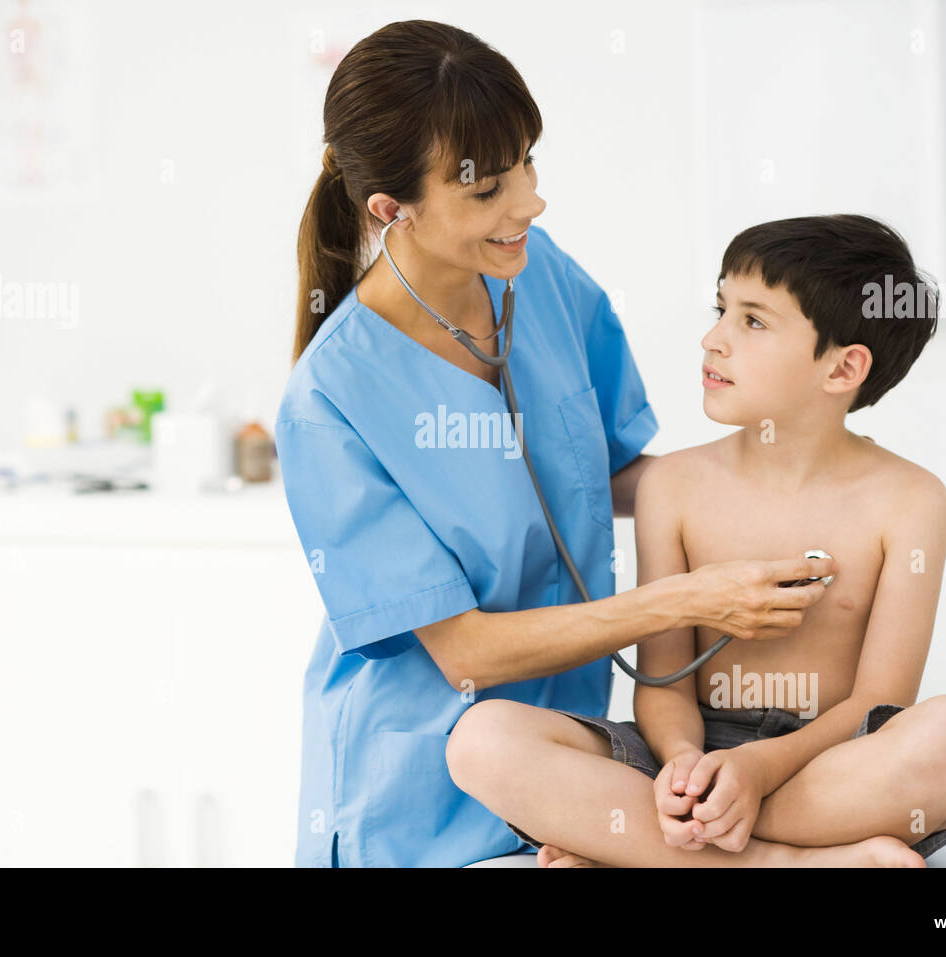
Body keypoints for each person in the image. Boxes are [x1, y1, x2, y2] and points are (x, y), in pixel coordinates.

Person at [276, 20, 836, 868]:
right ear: (392, 211)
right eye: (488, 187)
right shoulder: (329, 401)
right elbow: (463, 648)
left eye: (529, 163)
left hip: (570, 759)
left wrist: (792, 488)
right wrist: (689, 597)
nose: (529, 202)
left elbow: (613, 473)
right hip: (422, 798)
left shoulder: (539, 274)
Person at [447, 215, 946, 867]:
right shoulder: (675, 484)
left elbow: (878, 702)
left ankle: (644, 849)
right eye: (721, 309)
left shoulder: (910, 499)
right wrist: (686, 767)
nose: (713, 339)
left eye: (753, 321)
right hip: (685, 750)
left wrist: (757, 769)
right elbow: (663, 684)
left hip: (822, 762)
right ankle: (783, 860)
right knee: (481, 739)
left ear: (843, 367)